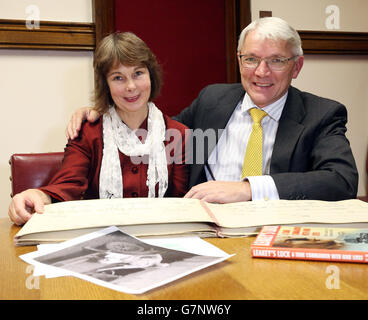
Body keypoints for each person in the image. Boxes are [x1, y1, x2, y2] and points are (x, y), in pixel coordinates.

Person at [65, 17, 358, 204]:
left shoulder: (322, 114)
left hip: (275, 234)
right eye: (251, 59)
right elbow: (152, 131)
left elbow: (341, 181)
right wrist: (102, 113)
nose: (261, 71)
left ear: (297, 66)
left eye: (277, 60)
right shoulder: (212, 99)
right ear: (239, 60)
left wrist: (249, 189)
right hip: (205, 232)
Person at [9, 32, 189, 225]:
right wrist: (37, 195)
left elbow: (183, 202)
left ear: (151, 76)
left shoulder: (178, 135)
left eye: (138, 73)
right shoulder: (88, 131)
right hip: (102, 241)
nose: (130, 86)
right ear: (106, 85)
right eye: (118, 78)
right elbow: (68, 185)